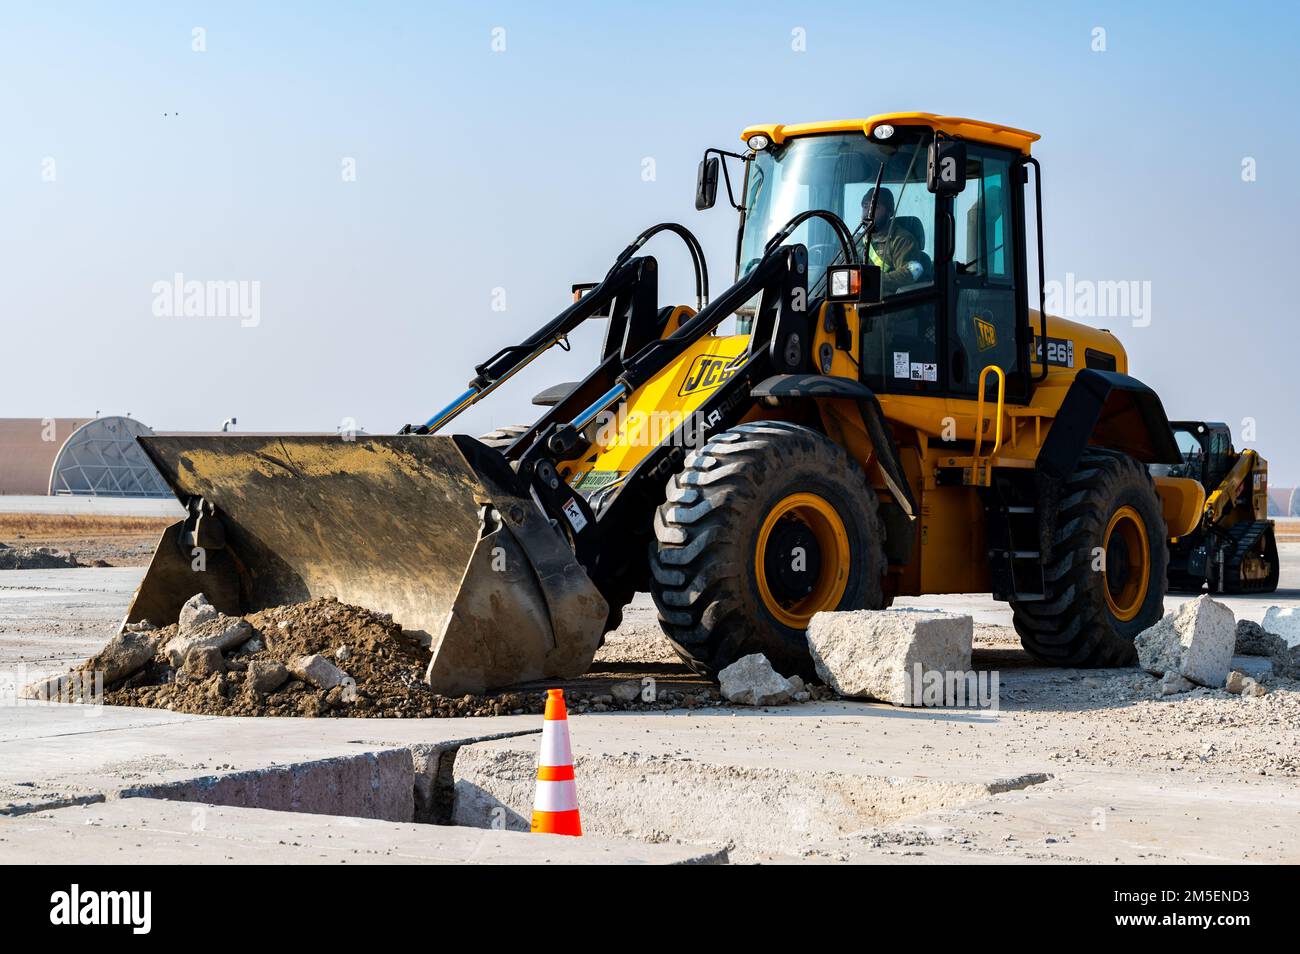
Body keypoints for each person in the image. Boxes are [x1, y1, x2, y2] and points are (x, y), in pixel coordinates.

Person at [861, 188, 927, 294]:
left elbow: (912, 271)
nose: (868, 212)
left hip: (889, 305)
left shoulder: (902, 239)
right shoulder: (855, 241)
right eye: (865, 206)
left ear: (890, 212)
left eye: (876, 207)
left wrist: (871, 281)